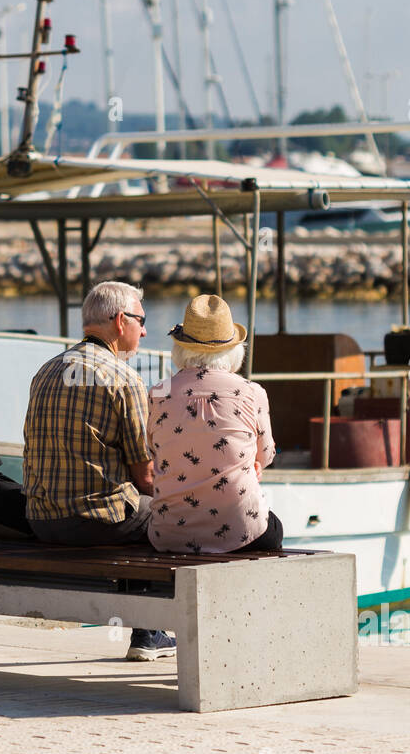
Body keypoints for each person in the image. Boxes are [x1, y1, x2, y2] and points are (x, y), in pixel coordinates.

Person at [21, 280, 176, 661]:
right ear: (120, 321)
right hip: (95, 521)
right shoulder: (124, 379)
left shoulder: (46, 371)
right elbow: (147, 477)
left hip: (41, 519)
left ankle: (147, 628)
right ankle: (149, 632)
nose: (144, 330)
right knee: (165, 517)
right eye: (141, 320)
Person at [146, 294, 282, 554]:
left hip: (169, 533)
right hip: (242, 529)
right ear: (233, 350)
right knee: (273, 529)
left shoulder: (158, 392)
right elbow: (265, 456)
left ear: (180, 348)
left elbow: (154, 449)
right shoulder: (251, 392)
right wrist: (250, 465)